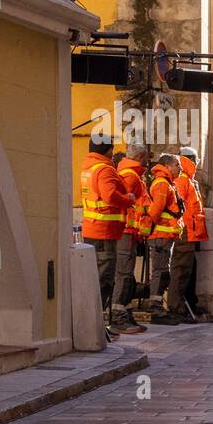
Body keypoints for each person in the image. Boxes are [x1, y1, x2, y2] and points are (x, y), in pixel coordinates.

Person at [80, 133, 136, 335]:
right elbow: (110, 196)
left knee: (95, 277)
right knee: (103, 279)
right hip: (104, 232)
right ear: (109, 150)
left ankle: (96, 324)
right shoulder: (105, 170)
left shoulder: (89, 167)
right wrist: (128, 198)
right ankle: (97, 326)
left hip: (93, 228)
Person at [110, 143, 150, 335]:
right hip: (126, 230)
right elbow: (124, 202)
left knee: (127, 275)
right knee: (124, 274)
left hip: (130, 231)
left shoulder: (132, 174)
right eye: (146, 157)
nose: (148, 161)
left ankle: (125, 312)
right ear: (141, 157)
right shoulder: (130, 175)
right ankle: (118, 316)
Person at [166, 146, 208, 322]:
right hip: (184, 232)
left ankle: (182, 305)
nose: (198, 163)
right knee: (180, 271)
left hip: (190, 233)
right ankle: (176, 307)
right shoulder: (182, 180)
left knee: (186, 271)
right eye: (197, 159)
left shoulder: (188, 180)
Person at [145, 153, 183, 324]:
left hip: (165, 235)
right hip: (161, 236)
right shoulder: (162, 184)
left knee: (163, 272)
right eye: (177, 164)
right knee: (160, 272)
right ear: (167, 166)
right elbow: (155, 211)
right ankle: (155, 309)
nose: (180, 168)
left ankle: (158, 306)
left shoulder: (167, 183)